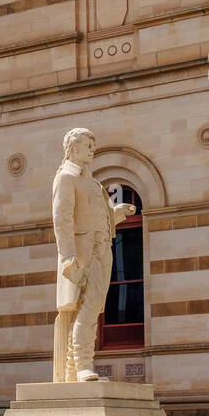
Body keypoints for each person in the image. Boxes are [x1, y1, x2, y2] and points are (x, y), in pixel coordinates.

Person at [52, 127, 136, 381]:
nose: (92, 150)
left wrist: (117, 213)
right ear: (73, 148)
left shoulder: (92, 182)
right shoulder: (66, 178)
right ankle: (83, 365)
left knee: (93, 306)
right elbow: (62, 220)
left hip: (102, 250)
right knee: (87, 308)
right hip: (82, 254)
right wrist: (68, 259)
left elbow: (98, 217)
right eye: (88, 146)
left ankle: (71, 369)